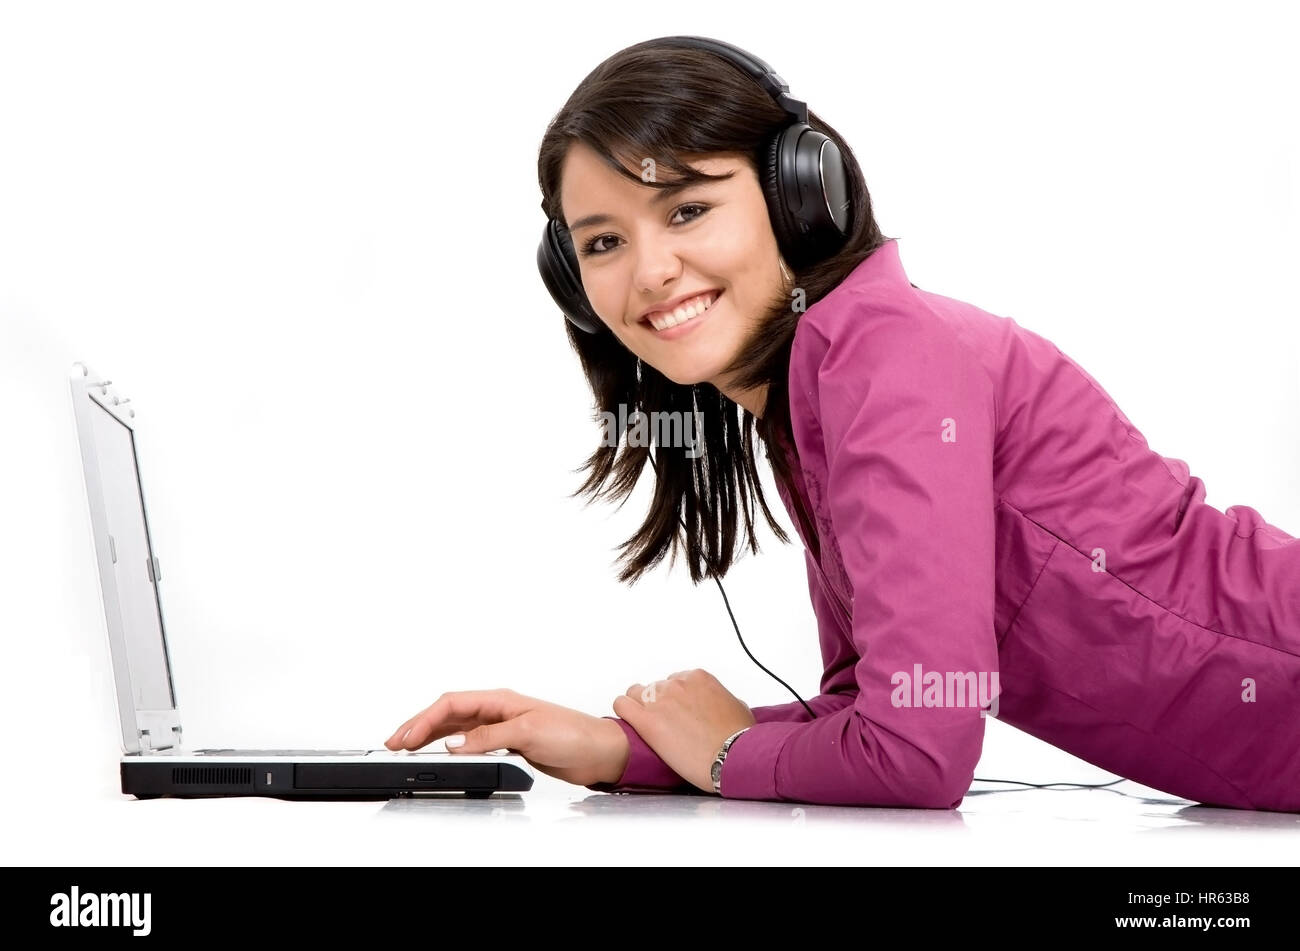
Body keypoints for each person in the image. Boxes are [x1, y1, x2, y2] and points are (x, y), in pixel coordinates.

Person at [385, 37, 1300, 812]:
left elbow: (913, 754)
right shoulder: (817, 391)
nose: (651, 270)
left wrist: (720, 758)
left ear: (799, 201)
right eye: (603, 242)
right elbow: (876, 713)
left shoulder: (883, 356)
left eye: (689, 209)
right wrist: (618, 747)